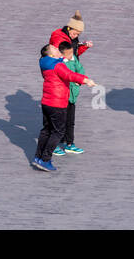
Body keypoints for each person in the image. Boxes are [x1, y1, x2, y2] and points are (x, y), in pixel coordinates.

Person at [32, 41, 95, 172]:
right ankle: (45, 159)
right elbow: (70, 75)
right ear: (50, 54)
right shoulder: (58, 66)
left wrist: (61, 58)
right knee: (58, 132)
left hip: (46, 102)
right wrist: (86, 80)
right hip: (57, 102)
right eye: (54, 48)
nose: (56, 48)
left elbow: (59, 63)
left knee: (46, 130)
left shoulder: (44, 63)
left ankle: (38, 157)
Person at [49, 13, 94, 153]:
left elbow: (74, 55)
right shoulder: (58, 38)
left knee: (70, 114)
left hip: (72, 81)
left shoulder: (71, 38)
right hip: (61, 82)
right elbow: (57, 58)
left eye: (79, 34)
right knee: (60, 116)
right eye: (75, 33)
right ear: (69, 28)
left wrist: (83, 47)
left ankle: (69, 143)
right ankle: (55, 144)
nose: (76, 35)